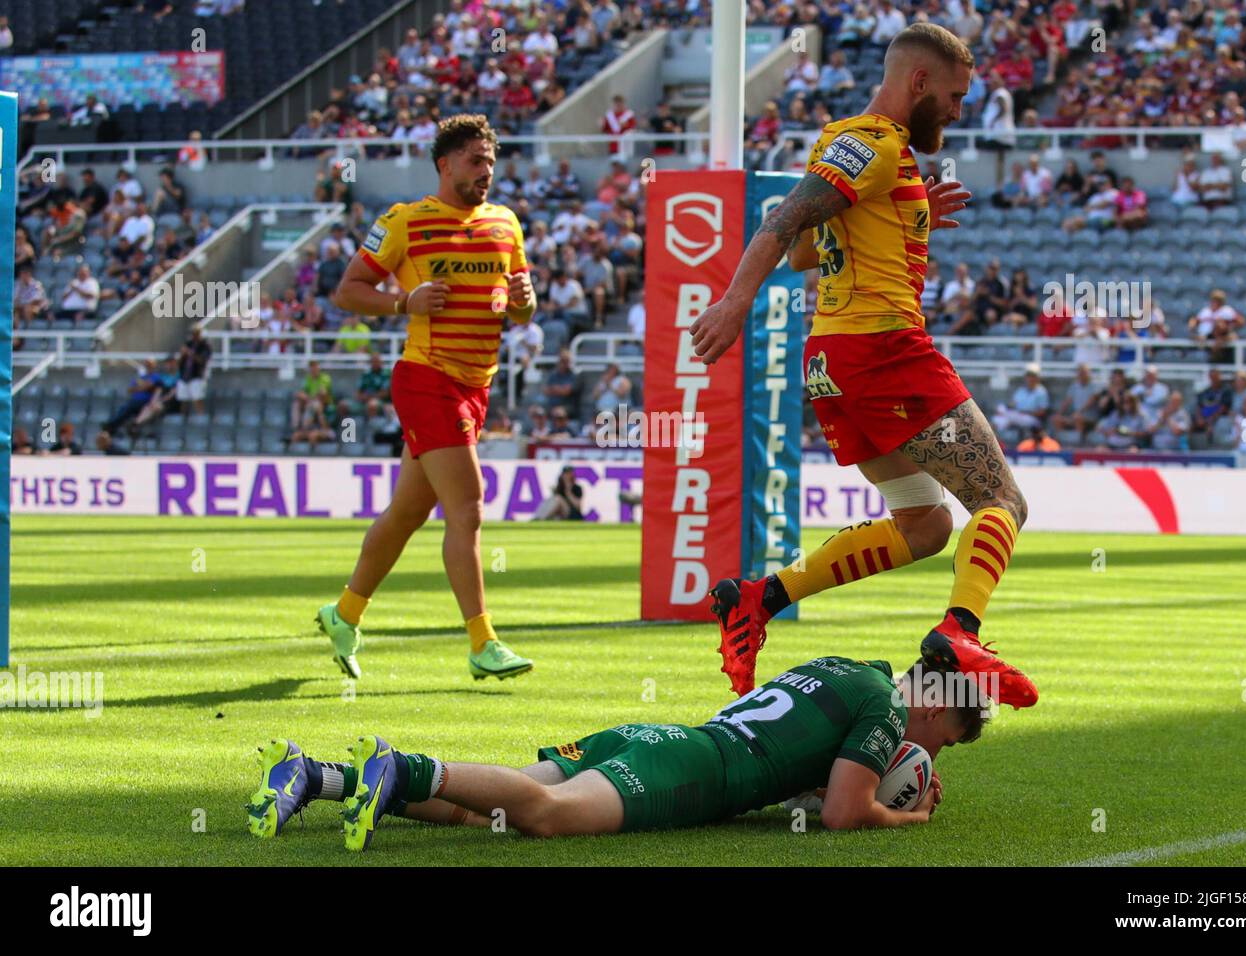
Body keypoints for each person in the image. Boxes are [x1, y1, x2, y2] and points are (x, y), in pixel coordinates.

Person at [687, 23, 1036, 709]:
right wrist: (734, 302)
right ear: (918, 83)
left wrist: (912, 216)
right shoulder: (874, 143)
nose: (959, 111)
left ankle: (761, 598)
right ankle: (960, 633)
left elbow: (809, 252)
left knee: (926, 528)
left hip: (834, 365)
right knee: (1002, 501)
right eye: (955, 96)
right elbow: (784, 224)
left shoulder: (863, 149)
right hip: (882, 352)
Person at [246, 655, 987, 848]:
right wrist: (908, 821)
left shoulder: (850, 672)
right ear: (933, 702)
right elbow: (841, 814)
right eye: (940, 742)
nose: (931, 757)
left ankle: (320, 776)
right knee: (548, 816)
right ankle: (397, 766)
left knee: (491, 812)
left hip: (660, 738)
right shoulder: (889, 706)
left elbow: (803, 782)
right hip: (696, 769)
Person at [319, 114, 535, 682]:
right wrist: (403, 303)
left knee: (408, 512)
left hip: (476, 384)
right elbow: (347, 291)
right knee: (467, 506)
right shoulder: (405, 222)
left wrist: (524, 300)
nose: (486, 171)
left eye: (490, 161)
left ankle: (344, 614)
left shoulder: (506, 225)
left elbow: (519, 308)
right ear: (445, 164)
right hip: (427, 379)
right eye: (475, 161)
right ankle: (482, 643)